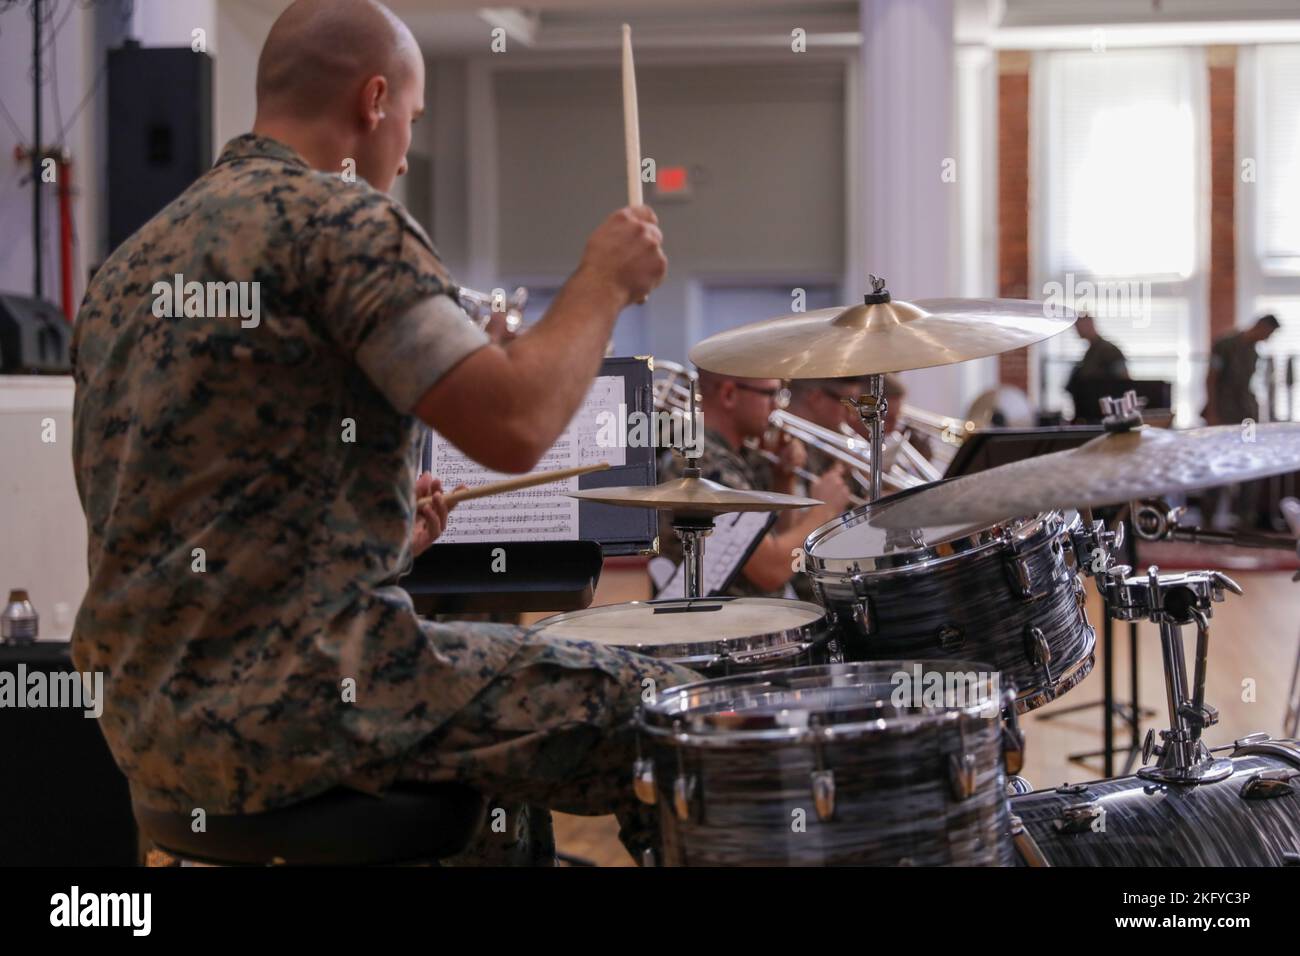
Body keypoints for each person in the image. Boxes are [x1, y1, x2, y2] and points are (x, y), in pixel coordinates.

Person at [70, 0, 696, 866]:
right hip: (307, 701)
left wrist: (382, 537)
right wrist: (603, 280)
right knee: (667, 709)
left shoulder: (123, 271)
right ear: (373, 101)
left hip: (147, 724)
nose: (404, 149)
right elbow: (517, 424)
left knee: (492, 781)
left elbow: (186, 522)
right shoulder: (341, 224)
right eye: (412, 117)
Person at [657, 372, 853, 597]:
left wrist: (783, 479)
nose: (777, 406)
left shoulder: (736, 453)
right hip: (728, 615)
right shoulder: (706, 464)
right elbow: (772, 571)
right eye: (770, 394)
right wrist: (823, 511)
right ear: (729, 394)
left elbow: (779, 541)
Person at [1204, 314, 1281, 426]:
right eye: (1268, 333)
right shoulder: (1225, 345)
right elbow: (1211, 379)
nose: (1267, 338)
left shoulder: (1253, 353)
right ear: (1261, 326)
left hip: (1244, 410)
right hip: (1224, 409)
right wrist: (1211, 412)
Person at [1065, 313, 1130, 422]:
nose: (1076, 331)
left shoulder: (1108, 350)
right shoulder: (1090, 352)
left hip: (1104, 415)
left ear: (1089, 324)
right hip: (1090, 414)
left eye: (1078, 326)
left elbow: (1124, 380)